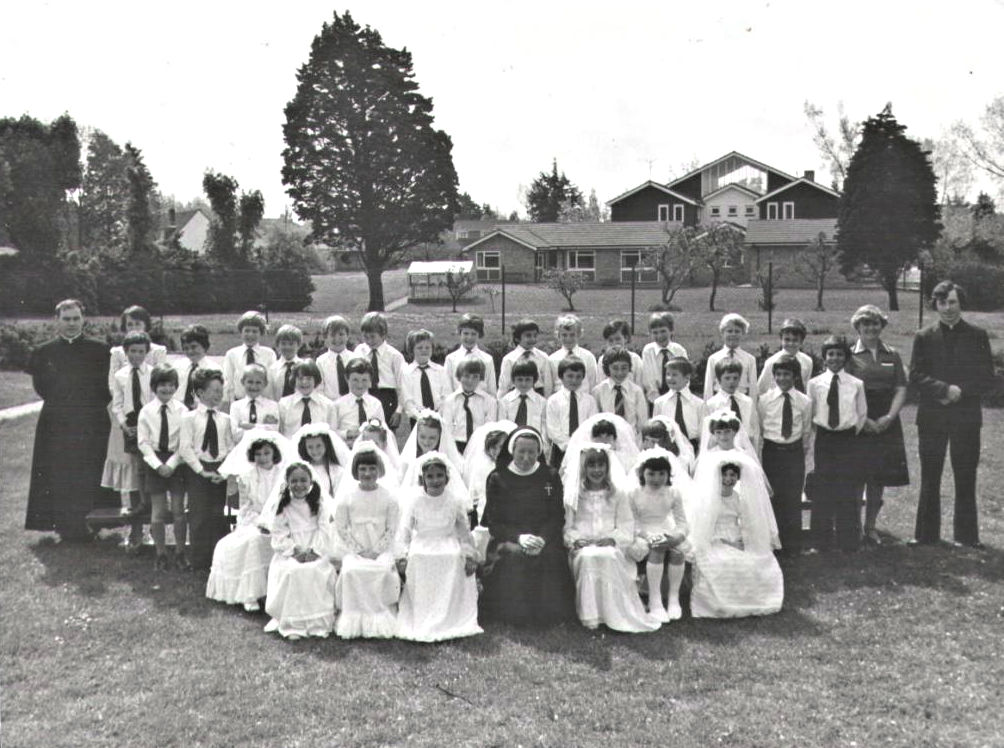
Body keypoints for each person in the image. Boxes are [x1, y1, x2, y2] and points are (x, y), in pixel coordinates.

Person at [909, 281, 995, 548]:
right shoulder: (923, 336)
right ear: (935, 304)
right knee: (930, 475)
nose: (947, 308)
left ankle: (967, 536)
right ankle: (926, 535)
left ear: (961, 303)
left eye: (952, 302)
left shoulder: (977, 336)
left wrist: (961, 391)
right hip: (932, 416)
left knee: (966, 475)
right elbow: (915, 375)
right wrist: (943, 389)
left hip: (966, 416)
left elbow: (987, 378)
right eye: (942, 302)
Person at [26, 300, 112, 541]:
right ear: (57, 320)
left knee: (90, 470)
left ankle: (93, 525)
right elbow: (41, 387)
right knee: (59, 472)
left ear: (83, 319)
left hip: (91, 420)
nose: (72, 323)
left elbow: (106, 388)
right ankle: (63, 525)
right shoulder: (44, 351)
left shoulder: (100, 350)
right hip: (57, 421)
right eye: (66, 319)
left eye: (76, 318)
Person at [479, 427, 576, 626]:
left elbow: (557, 516)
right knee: (515, 555)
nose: (526, 457)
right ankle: (514, 616)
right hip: (509, 538)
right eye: (521, 452)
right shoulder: (497, 477)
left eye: (531, 452)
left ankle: (549, 616)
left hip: (544, 537)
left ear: (539, 452)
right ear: (512, 451)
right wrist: (520, 538)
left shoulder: (550, 475)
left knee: (550, 556)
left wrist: (542, 538)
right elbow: (494, 522)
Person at [563, 443, 660, 632]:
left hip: (611, 545)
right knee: (587, 557)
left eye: (601, 465)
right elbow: (567, 526)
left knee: (607, 555)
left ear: (608, 468)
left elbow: (626, 526)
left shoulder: (618, 494)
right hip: (583, 546)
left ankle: (613, 612)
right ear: (584, 468)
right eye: (592, 465)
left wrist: (613, 539)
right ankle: (590, 615)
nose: (597, 470)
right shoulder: (575, 494)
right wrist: (575, 540)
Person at [394, 452, 483, 642]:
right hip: (423, 541)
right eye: (430, 476)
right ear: (423, 479)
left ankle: (450, 616)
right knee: (419, 558)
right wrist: (402, 555)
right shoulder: (415, 500)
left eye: (439, 476)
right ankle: (424, 614)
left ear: (447, 478)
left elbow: (463, 531)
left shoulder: (454, 500)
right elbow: (405, 530)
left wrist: (469, 554)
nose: (435, 481)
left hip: (446, 540)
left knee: (452, 557)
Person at [688, 456, 783, 619]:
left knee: (754, 560)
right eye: (725, 475)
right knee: (724, 562)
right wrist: (724, 541)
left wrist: (743, 540)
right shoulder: (710, 498)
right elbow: (706, 526)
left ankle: (750, 600)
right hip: (715, 538)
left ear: (738, 477)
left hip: (735, 535)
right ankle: (722, 603)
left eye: (732, 475)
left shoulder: (738, 498)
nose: (728, 479)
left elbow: (745, 521)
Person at [845, 305, 909, 545]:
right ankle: (854, 528)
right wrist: (864, 420)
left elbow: (901, 389)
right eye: (865, 324)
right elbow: (845, 392)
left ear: (881, 326)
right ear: (858, 327)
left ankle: (870, 527)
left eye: (875, 323)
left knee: (877, 478)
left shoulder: (892, 355)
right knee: (857, 476)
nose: (871, 328)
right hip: (859, 421)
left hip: (886, 421)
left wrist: (889, 417)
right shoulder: (849, 356)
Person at [208, 431, 290, 611]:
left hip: (280, 519)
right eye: (258, 454)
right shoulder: (246, 476)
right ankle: (250, 594)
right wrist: (260, 523)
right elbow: (246, 507)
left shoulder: (284, 475)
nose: (262, 458)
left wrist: (272, 522)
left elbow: (286, 503)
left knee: (265, 540)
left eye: (266, 453)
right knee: (252, 540)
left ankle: (273, 591)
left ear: (274, 454)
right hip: (253, 520)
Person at [331, 442, 401, 639]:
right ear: (355, 471)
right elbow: (342, 527)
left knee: (381, 570)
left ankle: (379, 616)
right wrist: (359, 550)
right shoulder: (347, 496)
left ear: (379, 470)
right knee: (352, 571)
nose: (368, 473)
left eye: (372, 468)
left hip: (381, 548)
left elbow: (391, 528)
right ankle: (354, 617)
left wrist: (377, 551)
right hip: (355, 549)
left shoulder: (389, 497)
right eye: (363, 469)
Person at [264, 462, 338, 640]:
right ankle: (294, 624)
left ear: (311, 481)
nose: (299, 485)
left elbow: (325, 530)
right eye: (294, 481)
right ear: (287, 483)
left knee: (316, 570)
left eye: (303, 480)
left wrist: (314, 551)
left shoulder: (319, 503)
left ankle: (317, 623)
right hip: (291, 552)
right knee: (294, 571)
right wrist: (295, 550)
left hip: (315, 549)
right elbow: (279, 534)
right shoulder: (282, 505)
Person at [807, 336, 867, 552]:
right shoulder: (814, 384)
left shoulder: (856, 384)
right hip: (825, 437)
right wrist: (823, 432)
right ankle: (821, 541)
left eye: (839, 354)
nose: (835, 358)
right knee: (823, 488)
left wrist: (848, 433)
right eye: (830, 354)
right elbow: (810, 412)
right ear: (824, 357)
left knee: (847, 487)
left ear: (846, 358)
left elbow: (861, 414)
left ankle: (848, 541)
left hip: (847, 439)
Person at [627, 449, 693, 622]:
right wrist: (648, 537)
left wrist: (677, 537)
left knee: (677, 552)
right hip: (642, 533)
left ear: (668, 474)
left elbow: (682, 522)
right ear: (642, 473)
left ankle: (673, 599)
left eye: (662, 474)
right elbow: (631, 522)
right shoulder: (634, 493)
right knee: (657, 550)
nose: (656, 479)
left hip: (666, 529)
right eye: (651, 474)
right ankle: (655, 601)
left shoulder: (673, 492)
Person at [179, 368, 235, 570]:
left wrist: (224, 472)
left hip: (219, 470)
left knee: (216, 514)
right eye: (214, 390)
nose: (218, 395)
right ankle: (198, 560)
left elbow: (230, 447)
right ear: (200, 393)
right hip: (198, 471)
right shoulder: (189, 418)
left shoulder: (225, 420)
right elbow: (185, 448)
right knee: (199, 515)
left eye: (221, 390)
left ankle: (217, 560)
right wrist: (201, 471)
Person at [104, 330, 155, 550]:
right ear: (125, 353)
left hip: (150, 427)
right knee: (136, 472)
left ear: (147, 352)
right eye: (132, 351)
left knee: (150, 472)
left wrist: (148, 426)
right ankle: (136, 530)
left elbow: (156, 401)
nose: (136, 355)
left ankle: (154, 527)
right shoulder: (120, 376)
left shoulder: (153, 373)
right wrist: (125, 425)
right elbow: (117, 404)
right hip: (130, 427)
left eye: (140, 351)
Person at [757, 355, 813, 555]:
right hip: (772, 452)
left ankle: (793, 544)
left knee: (793, 497)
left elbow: (806, 430)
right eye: (778, 374)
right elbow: (761, 427)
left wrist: (800, 452)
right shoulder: (764, 401)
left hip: (794, 453)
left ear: (795, 376)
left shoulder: (804, 401)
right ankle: (774, 543)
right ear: (773, 376)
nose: (782, 378)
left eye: (787, 374)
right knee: (773, 497)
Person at [137, 364, 189, 570]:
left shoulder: (183, 411)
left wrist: (173, 463)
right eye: (161, 385)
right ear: (153, 387)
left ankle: (180, 551)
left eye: (170, 385)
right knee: (157, 512)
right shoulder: (146, 412)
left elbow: (185, 442)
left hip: (177, 461)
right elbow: (143, 443)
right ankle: (160, 553)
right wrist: (159, 465)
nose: (166, 389)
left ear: (176, 387)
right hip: (155, 462)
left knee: (178, 510)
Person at [354, 311, 405, 429]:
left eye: (373, 337)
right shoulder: (359, 352)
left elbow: (402, 384)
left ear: (383, 335)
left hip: (387, 397)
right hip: (365, 394)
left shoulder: (394, 356)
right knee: (366, 430)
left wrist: (398, 410)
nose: (369, 341)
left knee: (386, 434)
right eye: (366, 337)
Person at [546, 356, 598, 467]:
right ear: (561, 376)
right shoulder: (553, 401)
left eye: (578, 377)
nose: (574, 380)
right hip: (560, 450)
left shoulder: (590, 401)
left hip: (584, 450)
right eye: (570, 376)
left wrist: (582, 446)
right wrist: (569, 446)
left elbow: (592, 427)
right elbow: (553, 430)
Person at [439, 358, 498, 454]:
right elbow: (447, 429)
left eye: (475, 377)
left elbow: (489, 430)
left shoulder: (489, 401)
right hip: (457, 445)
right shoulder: (450, 401)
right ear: (459, 377)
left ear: (481, 378)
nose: (470, 381)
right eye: (466, 376)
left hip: (480, 446)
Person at [652, 356, 706, 455]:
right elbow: (656, 430)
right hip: (668, 448)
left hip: (693, 447)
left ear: (687, 378)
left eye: (674, 375)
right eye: (667, 374)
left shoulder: (699, 404)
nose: (670, 378)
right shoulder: (659, 403)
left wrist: (700, 453)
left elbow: (703, 432)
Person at [222, 311, 276, 405]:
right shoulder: (232, 354)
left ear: (261, 333)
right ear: (241, 332)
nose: (250, 335)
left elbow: (271, 382)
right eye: (247, 331)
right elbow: (228, 382)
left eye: (255, 331)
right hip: (239, 404)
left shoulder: (269, 354)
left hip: (263, 403)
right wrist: (227, 403)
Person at [703, 313, 758, 402]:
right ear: (722, 333)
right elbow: (708, 387)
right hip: (720, 402)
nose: (733, 334)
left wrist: (752, 408)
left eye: (737, 331)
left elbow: (753, 388)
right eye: (729, 331)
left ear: (743, 334)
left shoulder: (749, 359)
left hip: (742, 402)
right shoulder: (714, 359)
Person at [400, 329, 450, 425]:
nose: (424, 350)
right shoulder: (407, 373)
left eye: (427, 347)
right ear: (412, 350)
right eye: (419, 348)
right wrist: (420, 417)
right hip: (417, 419)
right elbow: (407, 401)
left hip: (439, 416)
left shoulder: (440, 370)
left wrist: (438, 415)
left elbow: (446, 395)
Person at [593, 347, 648, 434]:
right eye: (615, 368)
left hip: (631, 440)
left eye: (624, 368)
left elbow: (642, 422)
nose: (620, 373)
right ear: (607, 368)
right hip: (607, 439)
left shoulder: (636, 391)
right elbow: (595, 420)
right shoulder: (598, 391)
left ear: (629, 367)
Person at [330, 359, 384, 446]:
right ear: (346, 378)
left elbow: (382, 430)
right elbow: (331, 432)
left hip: (370, 447)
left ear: (370, 380)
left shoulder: (375, 404)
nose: (360, 385)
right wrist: (348, 433)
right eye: (355, 380)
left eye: (364, 380)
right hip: (346, 447)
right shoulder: (337, 405)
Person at [498, 318, 555, 396]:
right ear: (517, 338)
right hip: (515, 396)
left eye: (535, 335)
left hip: (538, 397)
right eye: (528, 336)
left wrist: (546, 402)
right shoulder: (509, 359)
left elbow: (548, 383)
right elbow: (504, 385)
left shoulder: (543, 357)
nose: (532, 339)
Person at [443, 313, 497, 395]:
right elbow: (447, 390)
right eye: (466, 333)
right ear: (460, 333)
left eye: (473, 334)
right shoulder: (451, 359)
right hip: (456, 405)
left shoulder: (487, 359)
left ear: (479, 334)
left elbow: (491, 389)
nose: (469, 338)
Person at [641, 312, 688, 404]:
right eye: (655, 333)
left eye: (663, 331)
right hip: (655, 398)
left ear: (671, 331)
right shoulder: (648, 351)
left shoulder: (679, 350)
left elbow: (685, 377)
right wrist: (658, 401)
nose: (659, 336)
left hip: (677, 395)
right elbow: (649, 380)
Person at [757, 318, 813, 395]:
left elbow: (806, 386)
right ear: (781, 339)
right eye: (787, 340)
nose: (791, 343)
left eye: (795, 340)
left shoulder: (807, 361)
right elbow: (761, 389)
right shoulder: (772, 362)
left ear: (801, 341)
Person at [277, 361, 331, 439]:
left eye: (309, 379)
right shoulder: (284, 404)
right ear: (294, 380)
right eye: (300, 378)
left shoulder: (327, 405)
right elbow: (280, 433)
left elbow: (332, 434)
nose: (304, 382)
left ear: (315, 379)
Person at [229, 364, 279, 445]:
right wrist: (263, 427)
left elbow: (274, 432)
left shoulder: (273, 406)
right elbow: (234, 434)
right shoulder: (236, 406)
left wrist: (249, 426)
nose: (253, 386)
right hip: (242, 450)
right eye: (250, 382)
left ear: (265, 383)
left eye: (258, 382)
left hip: (265, 451)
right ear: (242, 382)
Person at [548, 314, 599, 393]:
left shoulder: (588, 357)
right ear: (558, 335)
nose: (568, 339)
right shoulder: (552, 360)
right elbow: (549, 387)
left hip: (583, 401)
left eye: (572, 335)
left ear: (579, 334)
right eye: (564, 335)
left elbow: (593, 383)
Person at [315, 314, 360, 401]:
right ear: (325, 337)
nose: (337, 339)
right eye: (332, 335)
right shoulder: (321, 361)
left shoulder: (355, 359)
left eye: (341, 334)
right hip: (330, 406)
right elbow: (319, 389)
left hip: (353, 404)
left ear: (347, 336)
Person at [498, 360, 547, 435]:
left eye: (528, 379)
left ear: (534, 380)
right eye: (520, 379)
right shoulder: (505, 402)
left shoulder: (542, 403)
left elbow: (544, 430)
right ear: (513, 380)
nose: (523, 384)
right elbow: (501, 428)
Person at [175, 324, 211, 410]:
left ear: (204, 346)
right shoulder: (177, 366)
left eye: (194, 347)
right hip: (179, 412)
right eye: (186, 348)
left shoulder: (213, 369)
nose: (190, 351)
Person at [601, 319, 644, 389]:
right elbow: (601, 385)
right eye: (610, 341)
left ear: (626, 338)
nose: (614, 344)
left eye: (618, 339)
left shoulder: (635, 359)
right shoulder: (602, 360)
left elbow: (639, 384)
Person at [268, 324, 306, 402]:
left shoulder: (304, 367)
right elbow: (270, 394)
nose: (287, 347)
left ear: (299, 345)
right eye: (283, 344)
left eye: (291, 344)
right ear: (278, 345)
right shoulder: (272, 369)